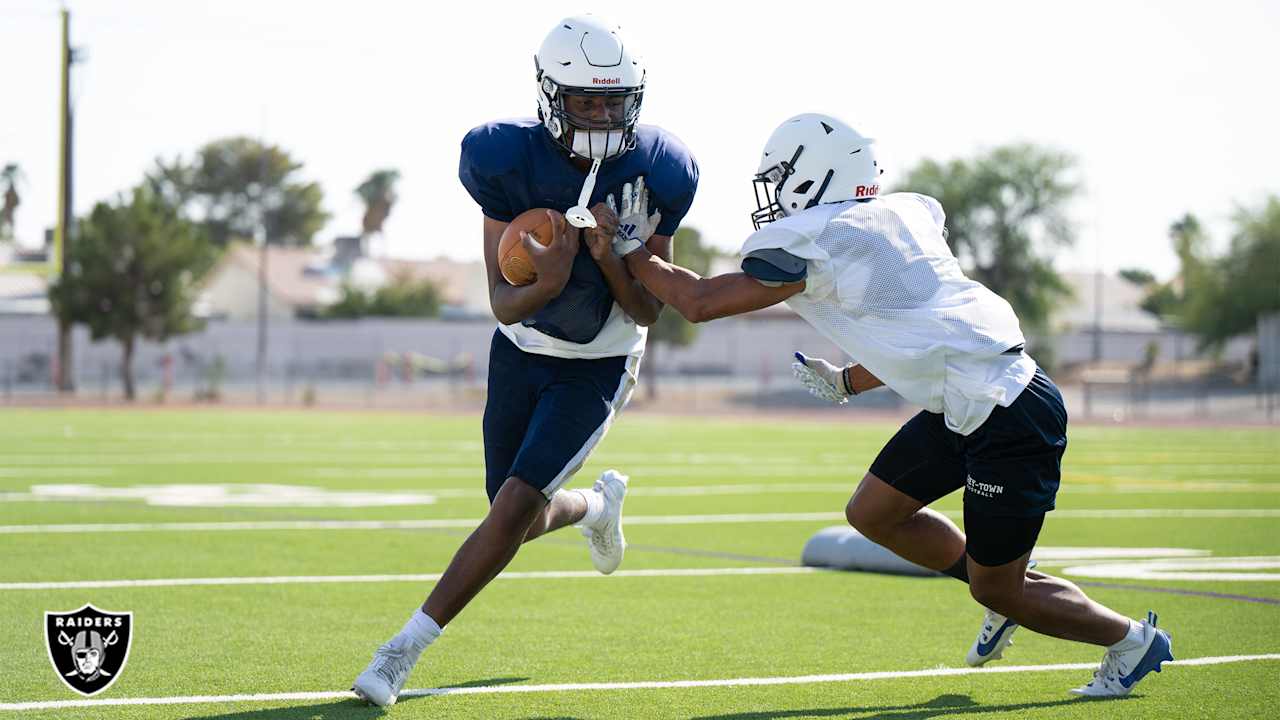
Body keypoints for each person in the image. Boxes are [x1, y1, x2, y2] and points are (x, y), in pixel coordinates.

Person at [615, 112, 1172, 697]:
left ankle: (1131, 641)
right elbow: (918, 328)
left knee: (998, 588)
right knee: (873, 515)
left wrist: (634, 252)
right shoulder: (892, 219)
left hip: (1006, 411)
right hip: (967, 397)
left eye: (782, 179)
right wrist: (851, 381)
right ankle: (1005, 586)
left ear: (814, 177)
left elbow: (700, 302)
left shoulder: (817, 238)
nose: (776, 195)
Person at [351, 14, 697, 707]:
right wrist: (548, 276)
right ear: (550, 96)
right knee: (509, 512)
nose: (603, 114)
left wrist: (609, 255)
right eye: (587, 100)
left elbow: (647, 310)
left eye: (615, 99)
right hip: (519, 349)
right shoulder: (503, 158)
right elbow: (503, 304)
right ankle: (597, 504)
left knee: (509, 512)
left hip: (598, 361)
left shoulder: (659, 168)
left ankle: (401, 650)